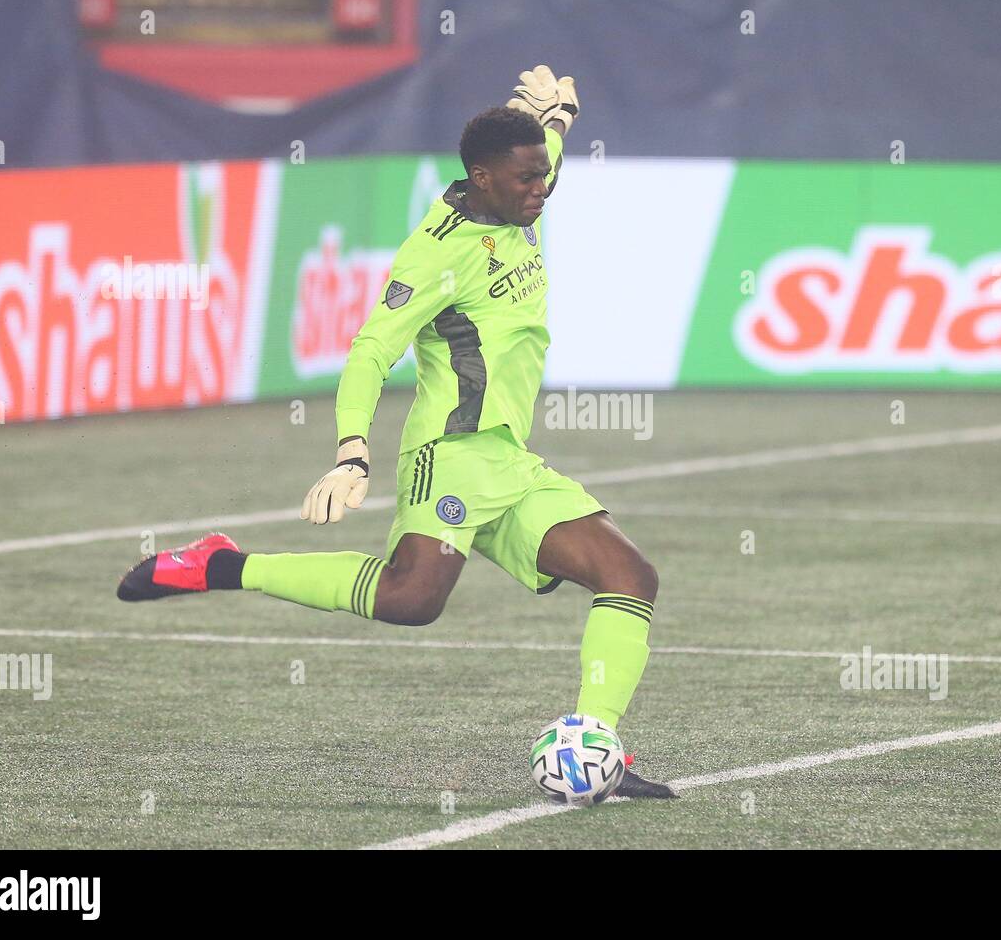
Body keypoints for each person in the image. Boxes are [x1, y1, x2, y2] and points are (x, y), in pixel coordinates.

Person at [117, 65, 674, 799]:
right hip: (447, 456)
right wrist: (352, 449)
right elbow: (371, 349)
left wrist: (557, 121)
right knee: (413, 600)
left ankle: (595, 744)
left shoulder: (518, 191)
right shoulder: (435, 255)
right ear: (481, 177)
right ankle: (224, 564)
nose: (541, 190)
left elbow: (542, 158)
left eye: (544, 176)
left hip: (507, 458)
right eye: (527, 180)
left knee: (631, 577)